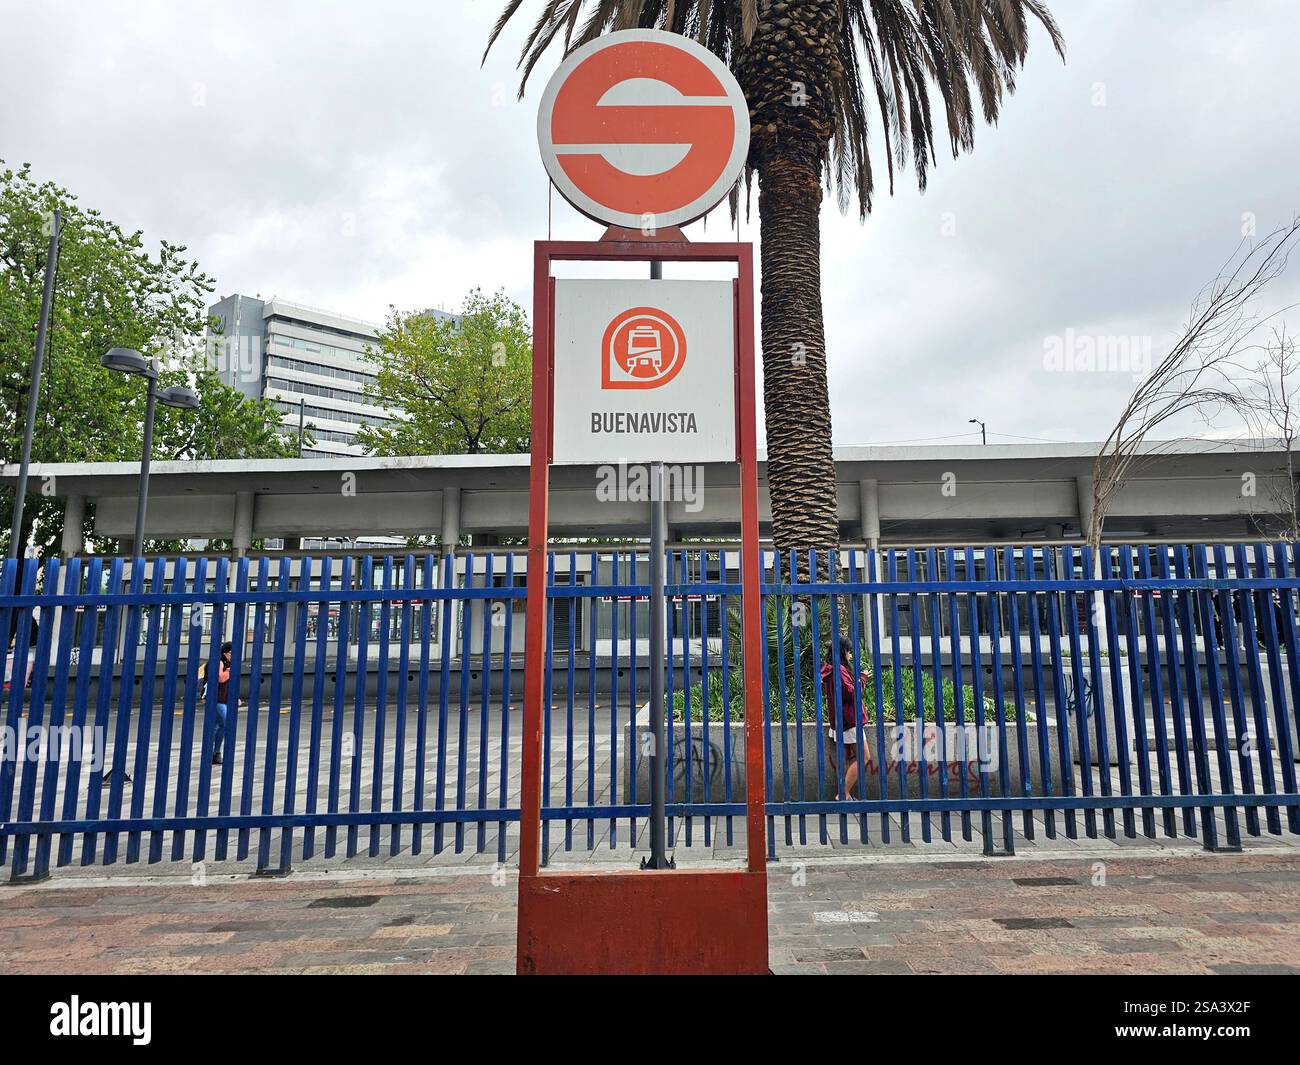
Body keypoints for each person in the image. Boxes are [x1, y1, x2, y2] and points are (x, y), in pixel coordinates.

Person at [820, 640, 871, 800]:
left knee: (847, 757)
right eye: (849, 651)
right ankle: (843, 794)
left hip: (841, 720)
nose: (850, 654)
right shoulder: (839, 670)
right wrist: (862, 678)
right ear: (843, 652)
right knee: (864, 758)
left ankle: (845, 795)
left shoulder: (829, 670)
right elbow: (851, 693)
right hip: (850, 720)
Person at [200, 642, 233, 767]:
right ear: (225, 653)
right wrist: (229, 671)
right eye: (231, 653)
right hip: (216, 698)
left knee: (218, 725)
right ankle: (212, 752)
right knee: (225, 722)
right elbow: (220, 678)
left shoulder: (227, 664)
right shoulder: (219, 662)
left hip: (223, 698)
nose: (232, 656)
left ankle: (215, 753)